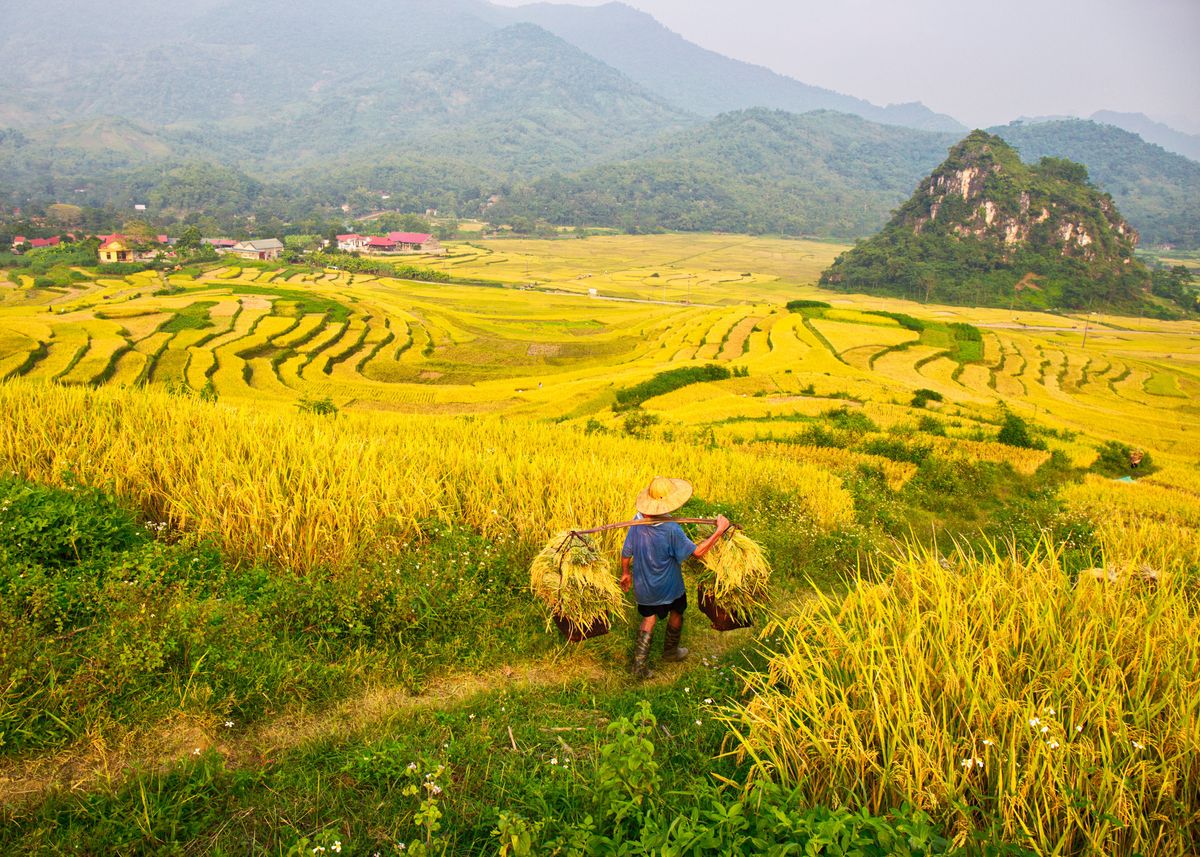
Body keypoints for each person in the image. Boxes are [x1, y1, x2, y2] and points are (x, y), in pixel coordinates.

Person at [620, 476, 731, 679]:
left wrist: (626, 573)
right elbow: (697, 553)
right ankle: (671, 652)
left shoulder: (636, 521)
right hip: (669, 585)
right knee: (677, 611)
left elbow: (626, 551)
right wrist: (719, 531)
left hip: (644, 585)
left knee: (648, 618)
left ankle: (638, 666)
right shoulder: (671, 529)